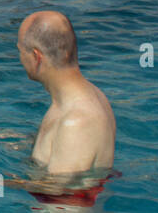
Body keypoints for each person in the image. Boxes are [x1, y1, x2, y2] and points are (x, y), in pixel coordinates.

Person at [16, 11, 116, 178]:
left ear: (36, 57)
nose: (19, 58)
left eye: (20, 51)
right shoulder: (87, 96)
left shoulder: (77, 122)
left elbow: (61, 198)